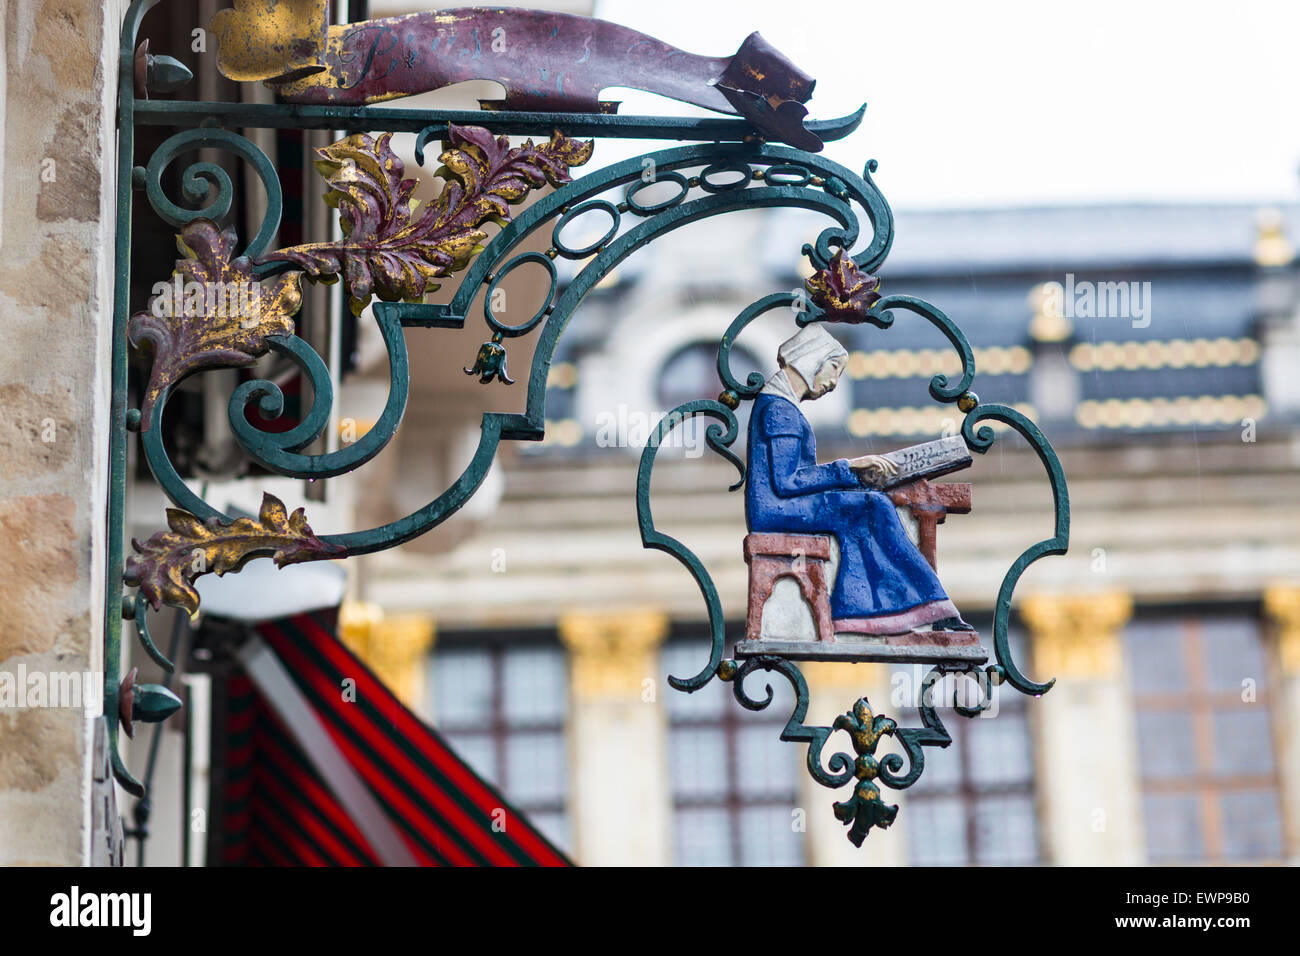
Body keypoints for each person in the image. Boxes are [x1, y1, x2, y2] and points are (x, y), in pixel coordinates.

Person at [745, 324, 973, 636]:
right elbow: (787, 482)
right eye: (834, 369)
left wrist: (853, 476)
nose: (834, 382)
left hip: (786, 505)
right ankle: (921, 604)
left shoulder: (780, 406)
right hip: (777, 509)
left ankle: (866, 609)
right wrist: (849, 469)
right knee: (872, 506)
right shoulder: (779, 410)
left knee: (869, 506)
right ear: (812, 361)